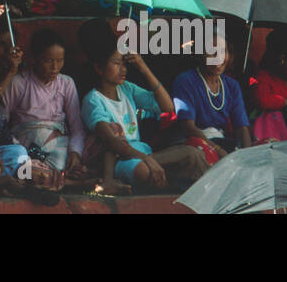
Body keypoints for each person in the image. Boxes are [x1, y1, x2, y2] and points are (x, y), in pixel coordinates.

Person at [82, 31, 208, 193]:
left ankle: (170, 186)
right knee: (144, 171)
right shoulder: (93, 100)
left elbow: (167, 107)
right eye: (116, 63)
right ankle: (169, 190)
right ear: (99, 68)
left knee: (193, 154)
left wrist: (143, 67)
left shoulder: (127, 88)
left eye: (125, 64)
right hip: (120, 160)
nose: (123, 69)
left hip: (145, 155)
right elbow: (111, 141)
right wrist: (146, 159)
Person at [0, 29, 87, 186]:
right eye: (48, 61)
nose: (55, 67)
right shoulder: (19, 82)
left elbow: (76, 126)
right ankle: (63, 179)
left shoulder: (66, 83)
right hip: (27, 142)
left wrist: (75, 152)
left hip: (60, 143)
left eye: (60, 60)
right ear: (34, 59)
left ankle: (56, 176)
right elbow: (1, 120)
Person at [171, 35, 253, 155]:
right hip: (192, 143)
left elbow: (241, 126)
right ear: (200, 54)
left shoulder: (232, 85)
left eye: (222, 51)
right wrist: (218, 150)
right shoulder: (185, 81)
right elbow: (188, 127)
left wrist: (247, 155)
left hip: (220, 142)